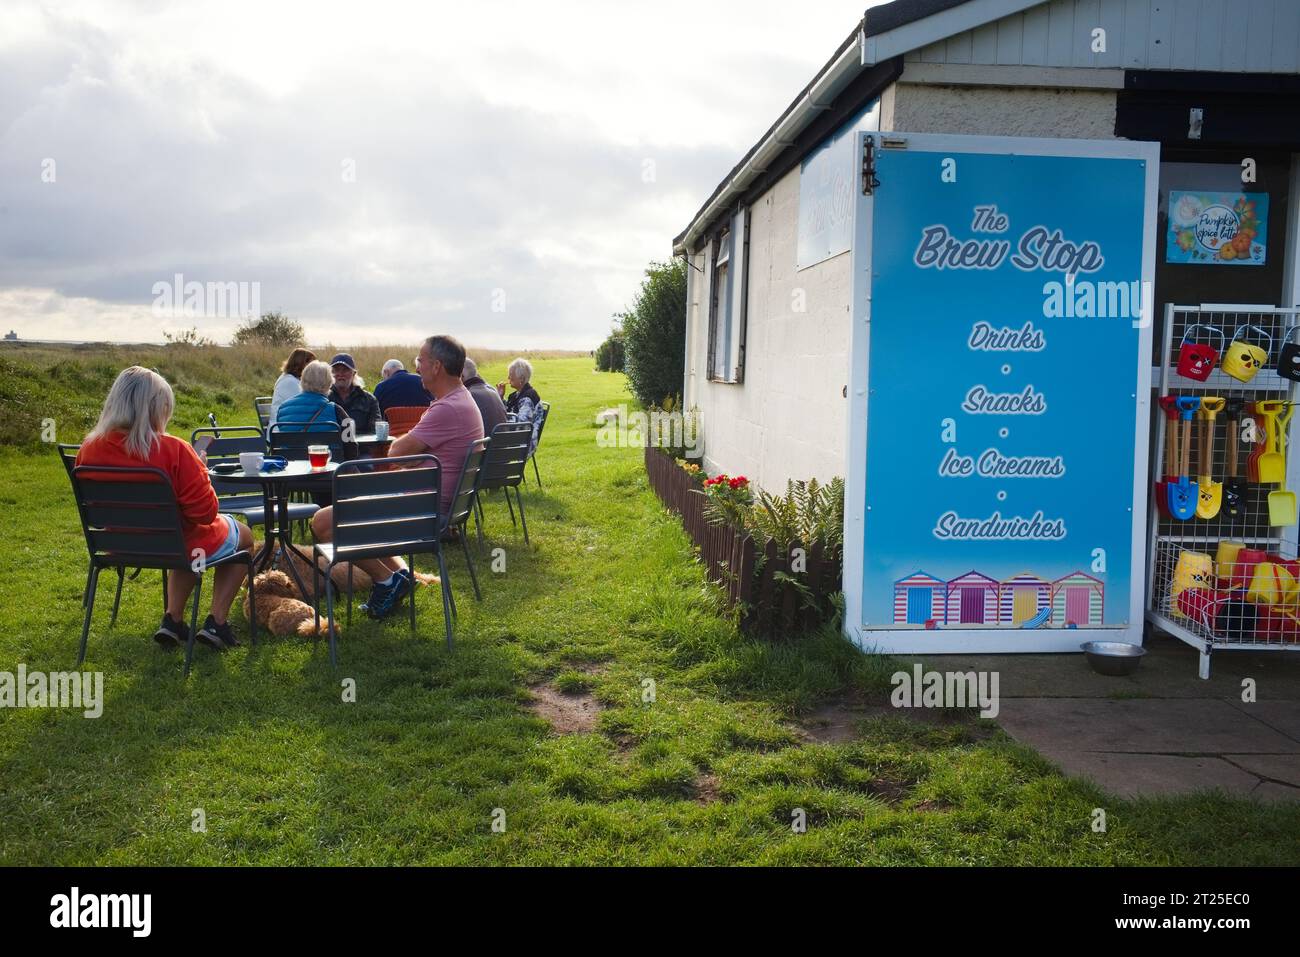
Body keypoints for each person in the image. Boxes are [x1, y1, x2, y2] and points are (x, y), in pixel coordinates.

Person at [75, 366, 254, 652]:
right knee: (242, 535)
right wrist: (200, 471)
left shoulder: (89, 448)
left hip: (118, 544)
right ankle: (216, 622)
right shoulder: (174, 449)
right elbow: (205, 514)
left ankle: (173, 621)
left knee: (182, 537)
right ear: (157, 408)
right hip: (175, 544)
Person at [311, 335, 484, 619]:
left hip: (421, 513)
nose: (417, 367)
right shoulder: (462, 401)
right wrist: (414, 457)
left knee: (322, 522)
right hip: (432, 506)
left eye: (420, 360)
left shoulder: (447, 408)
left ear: (437, 366)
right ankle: (400, 576)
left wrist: (410, 456)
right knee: (346, 509)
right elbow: (413, 454)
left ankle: (387, 579)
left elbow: (396, 451)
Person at [326, 353, 380, 434]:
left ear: (353, 374)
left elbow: (375, 430)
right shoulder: (324, 398)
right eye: (336, 370)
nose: (340, 374)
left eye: (345, 370)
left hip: (362, 445)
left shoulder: (368, 399)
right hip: (332, 445)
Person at [497, 357, 543, 451]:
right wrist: (500, 397)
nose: (508, 378)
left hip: (522, 444)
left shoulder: (528, 398)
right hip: (515, 438)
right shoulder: (516, 394)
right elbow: (509, 411)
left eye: (511, 375)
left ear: (521, 378)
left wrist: (500, 420)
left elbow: (521, 423)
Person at [269, 348, 316, 425]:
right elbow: (305, 406)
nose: (314, 369)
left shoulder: (292, 379)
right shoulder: (289, 382)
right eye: (312, 365)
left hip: (290, 427)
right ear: (301, 363)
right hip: (282, 430)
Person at [462, 357, 507, 435]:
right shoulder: (493, 390)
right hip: (503, 443)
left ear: (461, 376)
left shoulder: (467, 395)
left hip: (482, 445)